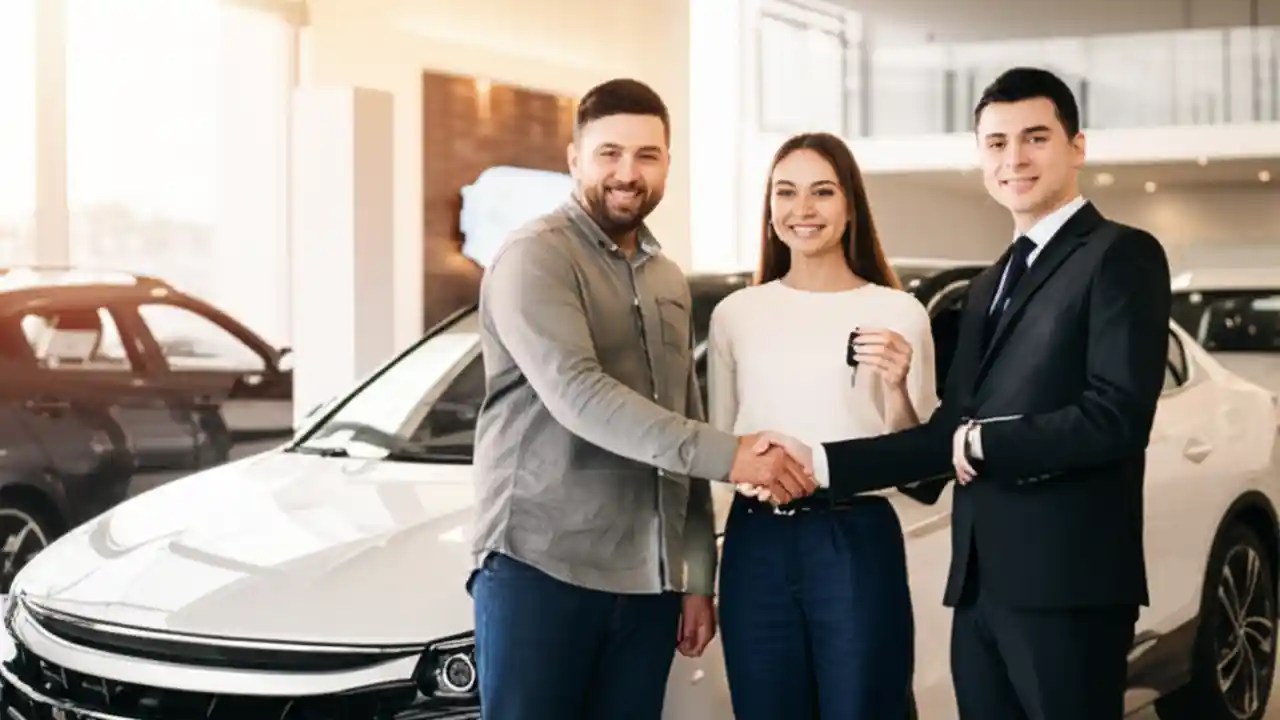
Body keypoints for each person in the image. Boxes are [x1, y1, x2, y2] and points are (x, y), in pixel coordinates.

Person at [749, 67, 1172, 719]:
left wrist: (982, 442)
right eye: (996, 143)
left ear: (1076, 146)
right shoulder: (991, 282)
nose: (1014, 159)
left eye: (1034, 139)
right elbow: (945, 431)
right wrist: (820, 461)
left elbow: (1114, 416)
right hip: (978, 589)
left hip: (1067, 586)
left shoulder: (1121, 255)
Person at [468, 78, 815, 720]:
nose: (628, 173)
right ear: (574, 158)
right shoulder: (534, 257)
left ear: (667, 165)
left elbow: (680, 420)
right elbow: (579, 394)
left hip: (645, 584)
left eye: (647, 156)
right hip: (542, 567)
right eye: (609, 153)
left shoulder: (665, 278)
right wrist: (733, 456)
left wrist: (695, 578)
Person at [707, 132, 937, 719]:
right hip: (754, 544)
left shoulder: (899, 312)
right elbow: (717, 450)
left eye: (822, 192)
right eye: (785, 193)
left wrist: (895, 386)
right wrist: (695, 580)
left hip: (854, 539)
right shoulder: (736, 314)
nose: (802, 209)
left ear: (850, 206)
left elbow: (920, 464)